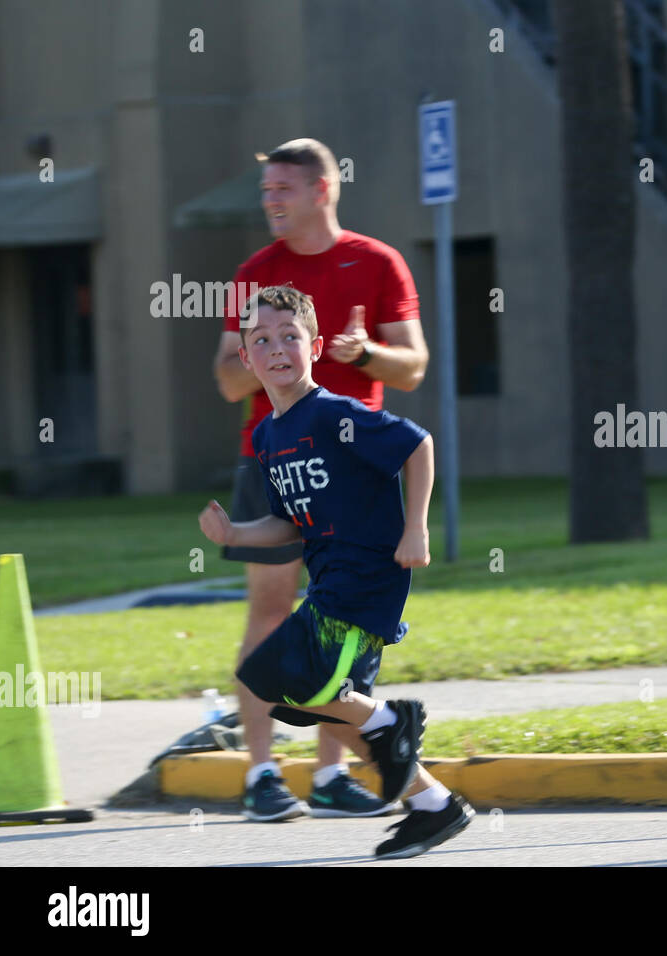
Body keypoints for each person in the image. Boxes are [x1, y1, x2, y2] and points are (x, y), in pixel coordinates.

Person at [199, 285, 473, 859]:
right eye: (261, 341)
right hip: (329, 580)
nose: (277, 349)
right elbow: (287, 522)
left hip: (367, 576)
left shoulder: (333, 414)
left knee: (297, 683)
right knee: (285, 688)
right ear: (245, 359)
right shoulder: (269, 435)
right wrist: (237, 535)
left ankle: (393, 721)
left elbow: (416, 444)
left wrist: (416, 528)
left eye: (290, 337)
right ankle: (432, 803)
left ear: (316, 346)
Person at [212, 138, 430, 822]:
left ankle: (333, 776)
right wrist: (277, 347)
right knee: (272, 613)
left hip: (356, 473)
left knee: (345, 624)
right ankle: (261, 776)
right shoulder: (256, 273)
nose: (270, 200)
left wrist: (361, 352)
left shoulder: (376, 262)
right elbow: (224, 379)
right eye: (267, 190)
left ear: (323, 191)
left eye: (283, 189)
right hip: (275, 461)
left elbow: (413, 368)